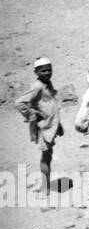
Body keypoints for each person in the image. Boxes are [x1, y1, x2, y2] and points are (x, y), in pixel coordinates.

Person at [17, 58, 62, 193]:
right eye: (43, 70)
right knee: (45, 156)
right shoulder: (37, 86)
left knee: (48, 155)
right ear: (36, 72)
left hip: (51, 125)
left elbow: (50, 104)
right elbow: (19, 103)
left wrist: (58, 124)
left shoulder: (47, 83)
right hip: (44, 127)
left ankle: (45, 184)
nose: (47, 72)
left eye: (49, 69)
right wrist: (33, 115)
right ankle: (45, 187)